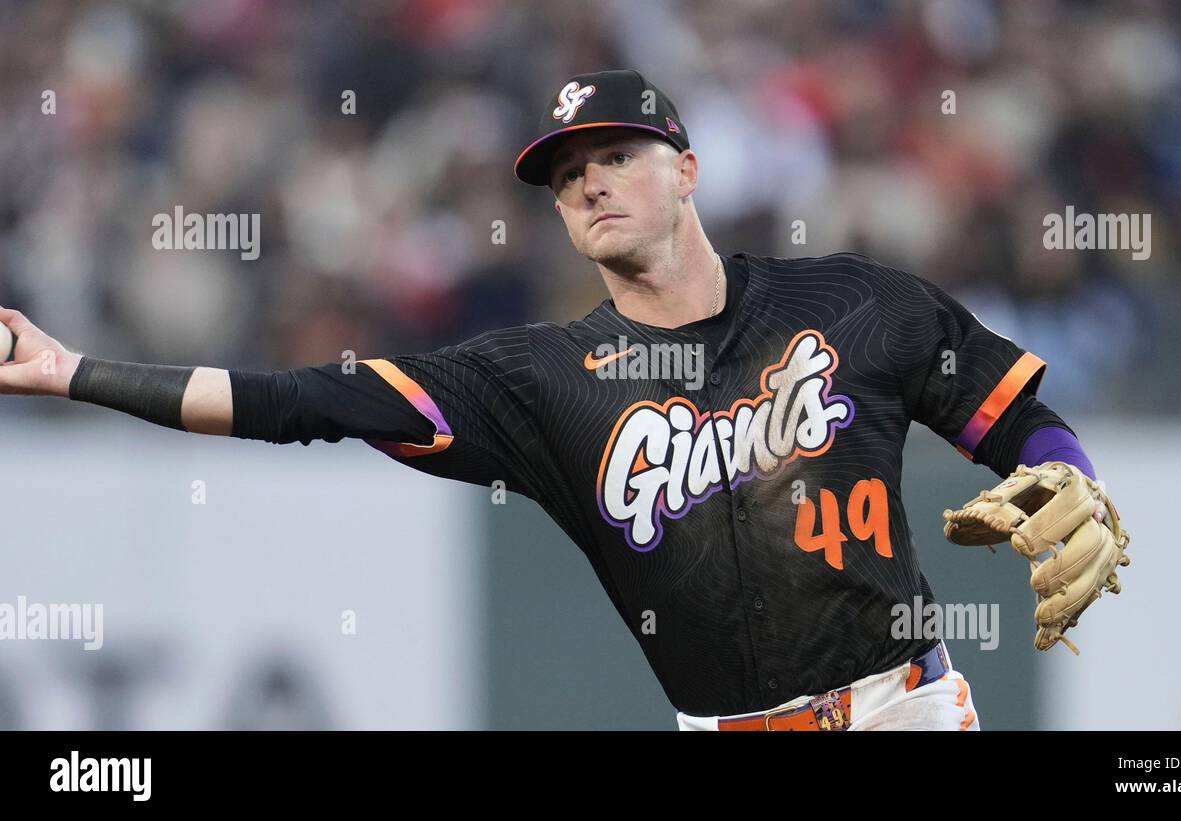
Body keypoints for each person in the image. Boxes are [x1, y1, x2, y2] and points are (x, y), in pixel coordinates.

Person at [0, 69, 1116, 730]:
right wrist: (74, 372)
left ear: (685, 168)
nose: (587, 180)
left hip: (899, 712)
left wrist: (1074, 468)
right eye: (565, 171)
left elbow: (1016, 417)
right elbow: (301, 400)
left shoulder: (856, 303)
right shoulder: (534, 381)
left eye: (617, 154)